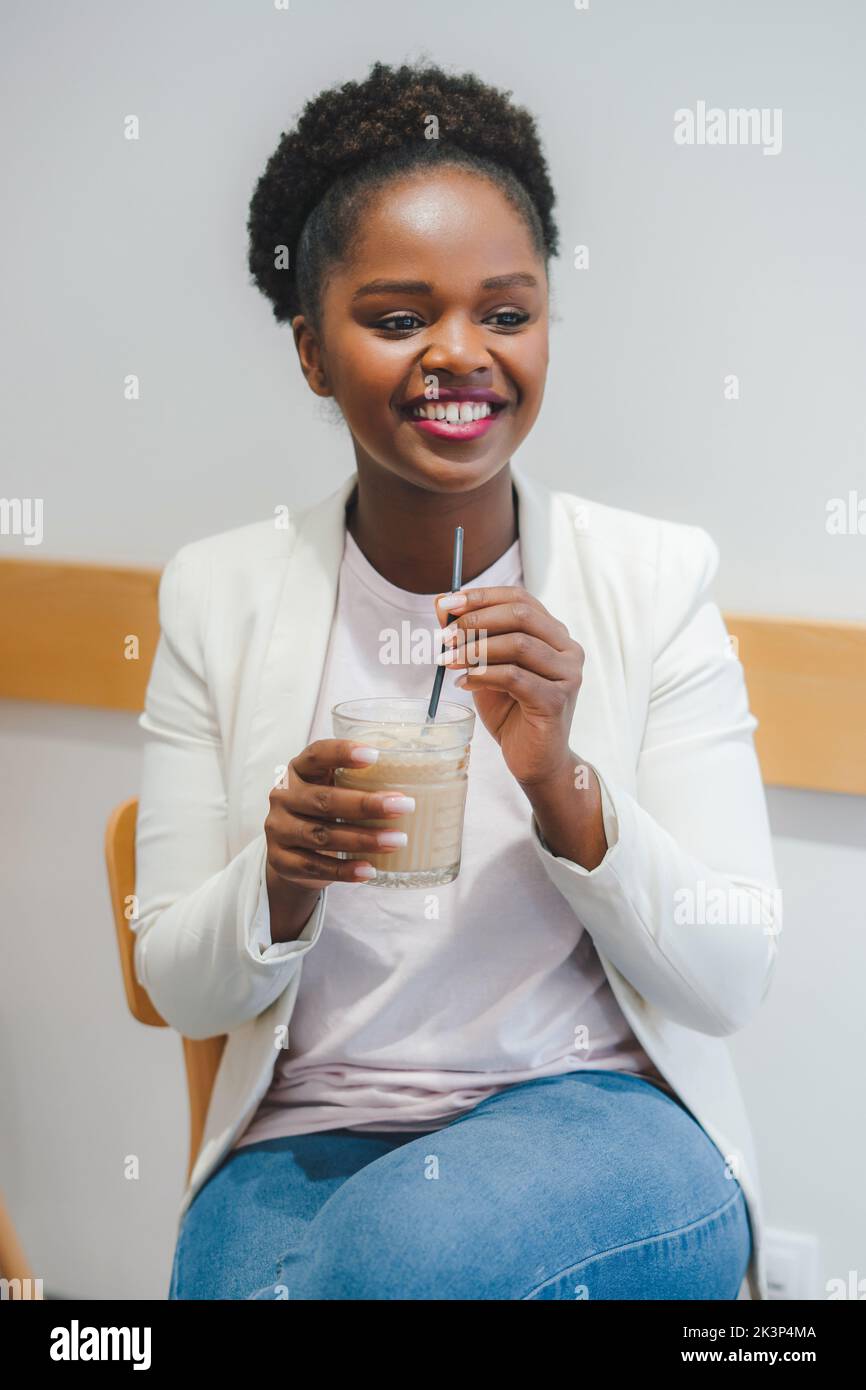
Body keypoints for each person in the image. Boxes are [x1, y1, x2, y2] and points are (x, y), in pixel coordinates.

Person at [133, 60, 780, 1301]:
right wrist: (277, 874)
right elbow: (176, 980)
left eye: (504, 310)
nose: (458, 354)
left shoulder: (651, 581)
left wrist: (561, 781)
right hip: (301, 1135)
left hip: (594, 1115)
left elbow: (728, 974)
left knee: (399, 1263)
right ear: (312, 353)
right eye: (393, 318)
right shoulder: (216, 597)